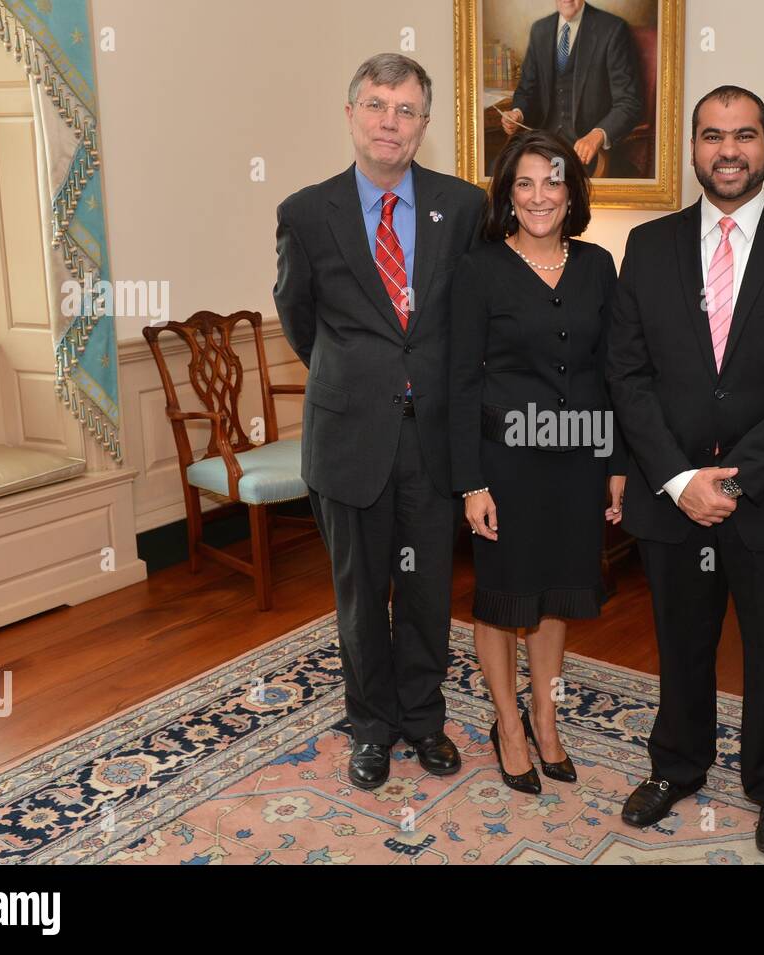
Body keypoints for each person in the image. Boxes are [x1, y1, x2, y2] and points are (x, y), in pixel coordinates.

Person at [605, 85, 764, 856]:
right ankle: (676, 764)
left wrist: (735, 479)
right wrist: (681, 480)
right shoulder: (648, 247)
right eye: (712, 135)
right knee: (680, 642)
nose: (729, 150)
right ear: (693, 148)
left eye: (744, 134)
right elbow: (627, 373)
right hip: (673, 497)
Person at [272, 53, 485, 791]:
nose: (390, 122)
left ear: (425, 125)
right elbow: (301, 321)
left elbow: (467, 322)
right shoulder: (306, 211)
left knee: (426, 591)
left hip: (431, 438)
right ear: (351, 113)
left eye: (406, 110)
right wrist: (361, 378)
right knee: (361, 596)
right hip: (348, 438)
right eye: (377, 105)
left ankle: (423, 718)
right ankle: (371, 725)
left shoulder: (462, 208)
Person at [449, 129, 626, 793]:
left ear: (572, 190)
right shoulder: (480, 269)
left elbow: (614, 372)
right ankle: (508, 724)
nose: (538, 195)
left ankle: (546, 718)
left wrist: (615, 463)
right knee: (502, 597)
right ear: (508, 195)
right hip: (505, 464)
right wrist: (470, 482)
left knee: (554, 595)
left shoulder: (598, 266)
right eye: (524, 183)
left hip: (579, 462)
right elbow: (461, 380)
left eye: (552, 180)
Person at [499, 0, 643, 177]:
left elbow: (629, 102)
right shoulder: (540, 30)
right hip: (542, 145)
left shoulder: (612, 29)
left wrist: (597, 134)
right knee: (499, 172)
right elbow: (527, 89)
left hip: (585, 153)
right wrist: (517, 112)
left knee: (555, 183)